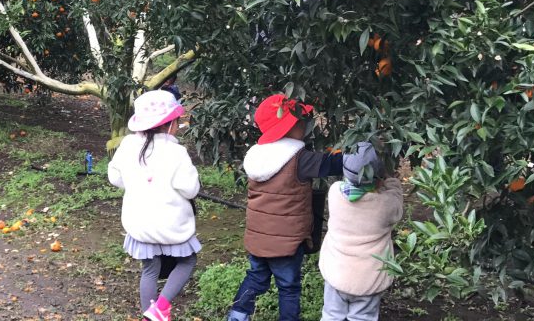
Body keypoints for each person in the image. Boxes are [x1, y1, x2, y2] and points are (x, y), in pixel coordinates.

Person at [226, 94, 344, 321]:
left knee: (255, 277)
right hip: (287, 242)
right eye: (301, 121)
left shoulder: (257, 156)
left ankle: (237, 315)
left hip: (258, 238)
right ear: (290, 127)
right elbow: (333, 164)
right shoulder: (299, 158)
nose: (305, 125)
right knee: (288, 287)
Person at [108, 90, 201, 321]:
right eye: (177, 121)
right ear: (169, 123)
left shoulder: (129, 145)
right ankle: (160, 307)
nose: (178, 126)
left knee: (150, 269)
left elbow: (115, 178)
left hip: (140, 222)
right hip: (172, 224)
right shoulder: (177, 152)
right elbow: (190, 189)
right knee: (188, 260)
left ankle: (148, 316)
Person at [319, 142, 404, 321]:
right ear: (379, 178)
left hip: (337, 273)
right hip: (368, 280)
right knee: (363, 318)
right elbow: (396, 198)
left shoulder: (335, 193)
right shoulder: (386, 205)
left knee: (331, 316)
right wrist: (392, 180)